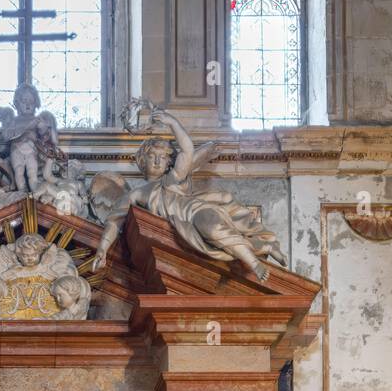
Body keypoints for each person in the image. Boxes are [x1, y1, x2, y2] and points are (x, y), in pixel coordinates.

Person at [91, 108, 285, 283]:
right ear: (143, 160)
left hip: (194, 212)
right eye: (152, 156)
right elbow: (115, 221)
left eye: (163, 156)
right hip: (180, 226)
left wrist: (173, 123)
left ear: (169, 162)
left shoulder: (173, 178)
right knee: (214, 234)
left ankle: (254, 263)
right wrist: (102, 249)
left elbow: (187, 151)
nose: (158, 161)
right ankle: (265, 247)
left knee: (213, 228)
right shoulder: (137, 194)